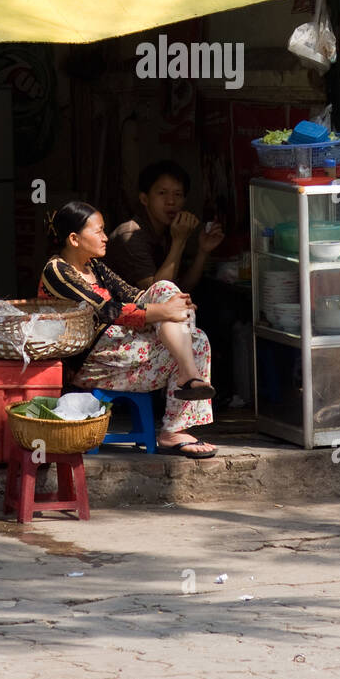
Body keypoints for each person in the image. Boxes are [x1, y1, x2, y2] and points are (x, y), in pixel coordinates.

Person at [39, 201, 218, 458]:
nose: (104, 238)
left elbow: (135, 296)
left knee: (173, 300)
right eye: (98, 231)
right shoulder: (57, 270)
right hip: (91, 363)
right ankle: (186, 387)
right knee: (186, 328)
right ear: (74, 239)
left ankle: (179, 412)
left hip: (120, 352)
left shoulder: (95, 266)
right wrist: (165, 311)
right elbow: (108, 310)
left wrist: (174, 303)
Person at [106, 159, 225, 293]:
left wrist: (203, 251)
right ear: (144, 199)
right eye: (162, 193)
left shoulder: (168, 231)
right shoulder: (130, 235)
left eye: (178, 194)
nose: (171, 201)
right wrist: (179, 241)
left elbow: (180, 289)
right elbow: (158, 296)